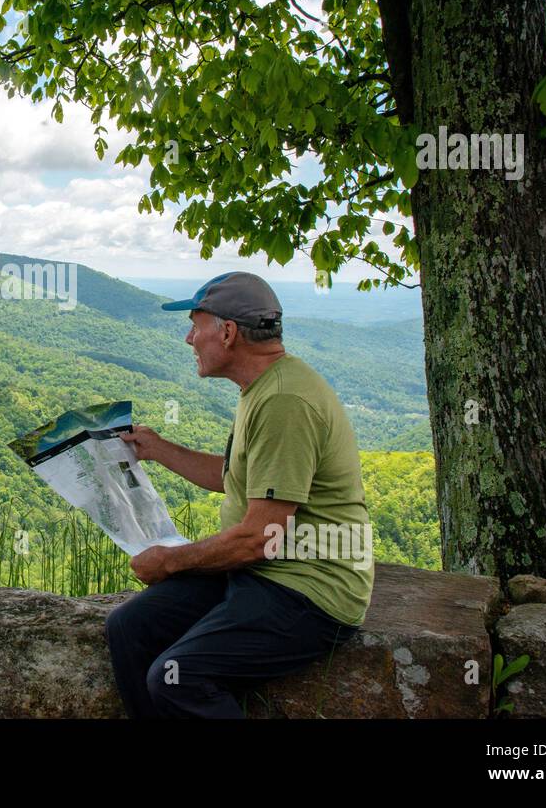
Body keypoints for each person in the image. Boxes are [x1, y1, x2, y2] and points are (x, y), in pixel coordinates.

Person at [105, 271, 374, 718]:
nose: (189, 338)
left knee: (178, 676)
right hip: (261, 571)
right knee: (129, 627)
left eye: (196, 325)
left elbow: (258, 539)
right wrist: (157, 449)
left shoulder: (286, 402)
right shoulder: (263, 386)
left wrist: (169, 560)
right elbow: (239, 478)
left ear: (227, 333)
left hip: (308, 589)